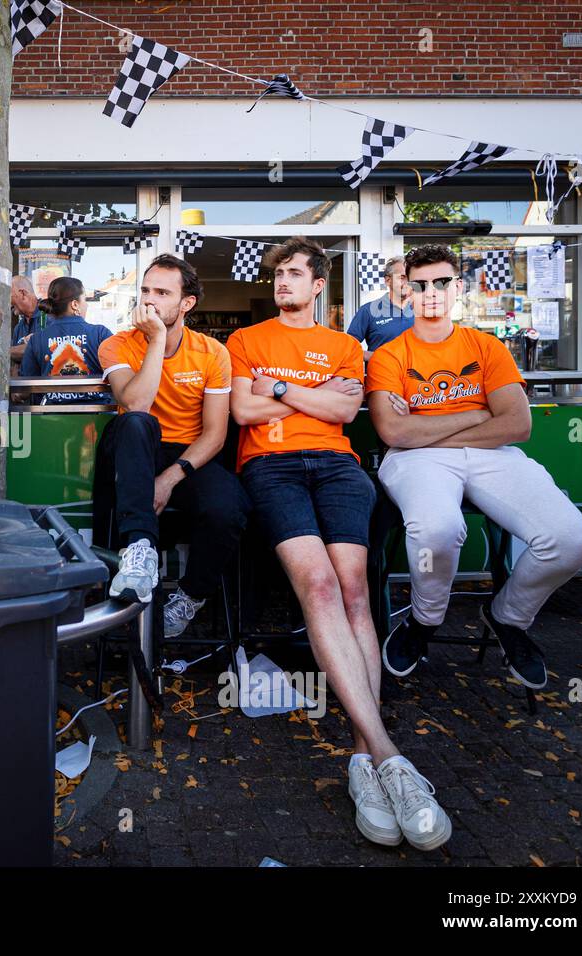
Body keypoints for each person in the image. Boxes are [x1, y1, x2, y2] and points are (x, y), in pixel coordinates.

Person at [226, 235, 450, 852]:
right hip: (269, 466)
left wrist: (276, 389)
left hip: (338, 467)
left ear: (320, 284)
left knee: (354, 589)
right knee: (318, 584)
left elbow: (346, 415)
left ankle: (360, 761)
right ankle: (388, 755)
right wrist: (308, 398)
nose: (283, 282)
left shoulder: (348, 345)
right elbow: (243, 413)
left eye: (295, 274)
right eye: (279, 274)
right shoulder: (246, 340)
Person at [367, 244, 582, 690]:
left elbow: (518, 424)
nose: (430, 292)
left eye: (441, 282)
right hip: (416, 460)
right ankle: (423, 620)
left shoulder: (486, 346)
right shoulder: (390, 355)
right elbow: (395, 434)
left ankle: (507, 617)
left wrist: (427, 424)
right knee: (436, 529)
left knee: (573, 541)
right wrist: (477, 414)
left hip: (492, 456)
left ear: (458, 287)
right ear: (405, 291)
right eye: (420, 284)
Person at [96, 255, 249, 638]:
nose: (150, 301)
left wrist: (169, 478)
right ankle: (140, 551)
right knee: (134, 422)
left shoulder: (213, 352)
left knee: (228, 509)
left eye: (162, 293)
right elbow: (136, 404)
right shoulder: (117, 344)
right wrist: (157, 341)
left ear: (187, 303)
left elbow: (215, 434)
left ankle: (189, 598)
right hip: (134, 448)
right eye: (146, 290)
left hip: (185, 455)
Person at [20, 276, 111, 405]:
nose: (87, 304)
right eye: (84, 299)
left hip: (51, 419)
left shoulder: (36, 339)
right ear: (75, 304)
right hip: (98, 418)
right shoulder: (100, 334)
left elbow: (24, 391)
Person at [347, 255, 414, 360]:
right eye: (402, 277)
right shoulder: (368, 310)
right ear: (388, 280)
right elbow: (347, 348)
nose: (407, 283)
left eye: (410, 278)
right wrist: (376, 357)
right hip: (380, 374)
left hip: (416, 375)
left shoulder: (422, 310)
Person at [9, 274, 49, 367]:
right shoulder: (18, 328)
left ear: (23, 293)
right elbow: (16, 366)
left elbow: (41, 348)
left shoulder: (48, 316)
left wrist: (5, 351)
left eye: (10, 296)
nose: (8, 302)